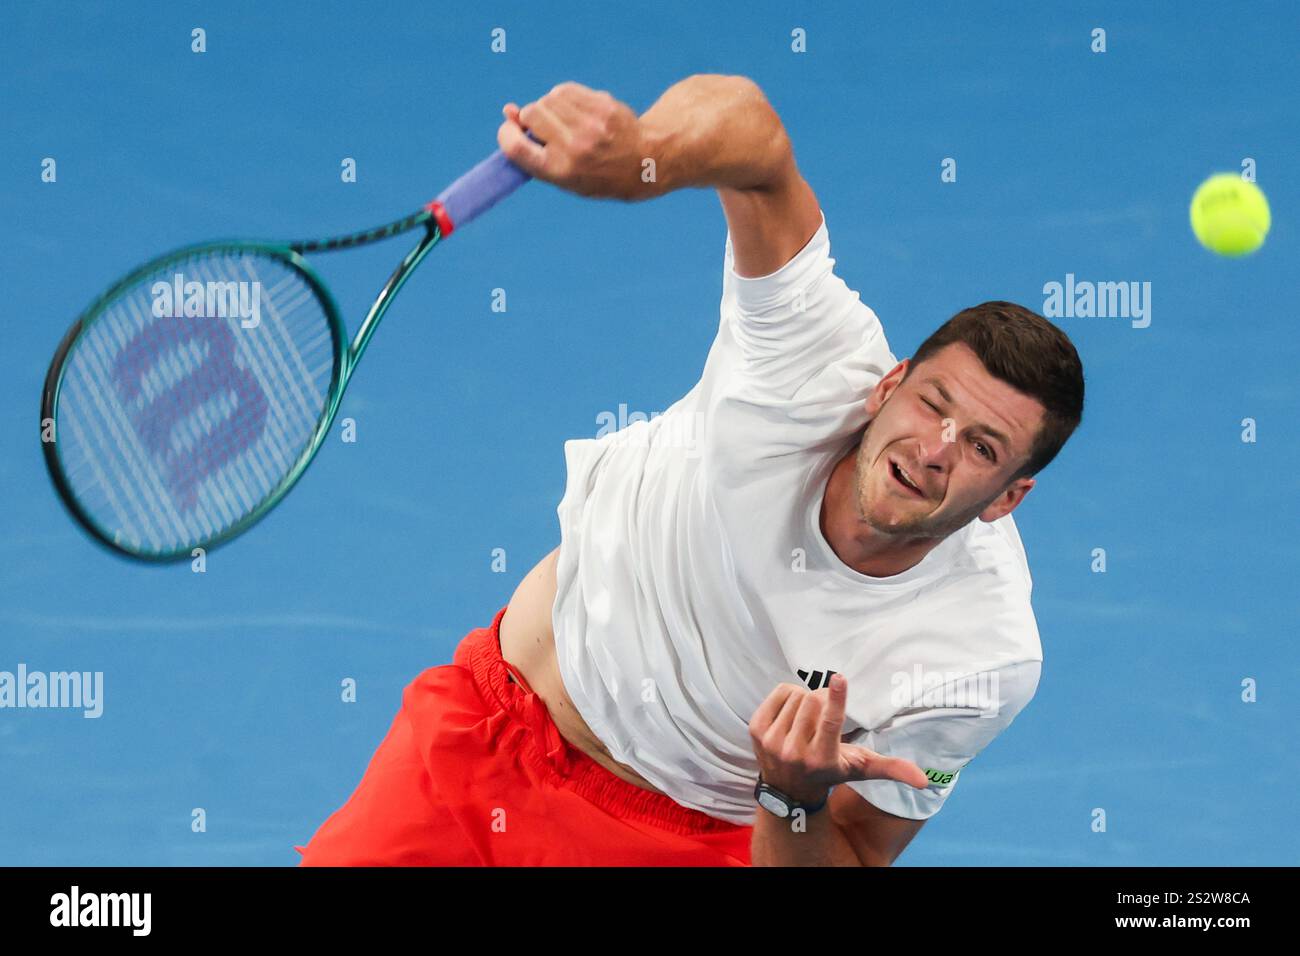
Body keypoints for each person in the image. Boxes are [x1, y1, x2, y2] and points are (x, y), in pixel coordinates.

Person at [297, 74, 1085, 867]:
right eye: (931, 403)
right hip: (479, 741)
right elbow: (756, 142)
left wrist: (792, 797)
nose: (936, 446)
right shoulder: (809, 356)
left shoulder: (979, 655)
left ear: (1009, 498)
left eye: (983, 447)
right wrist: (646, 154)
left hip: (682, 843)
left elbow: (853, 852)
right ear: (888, 384)